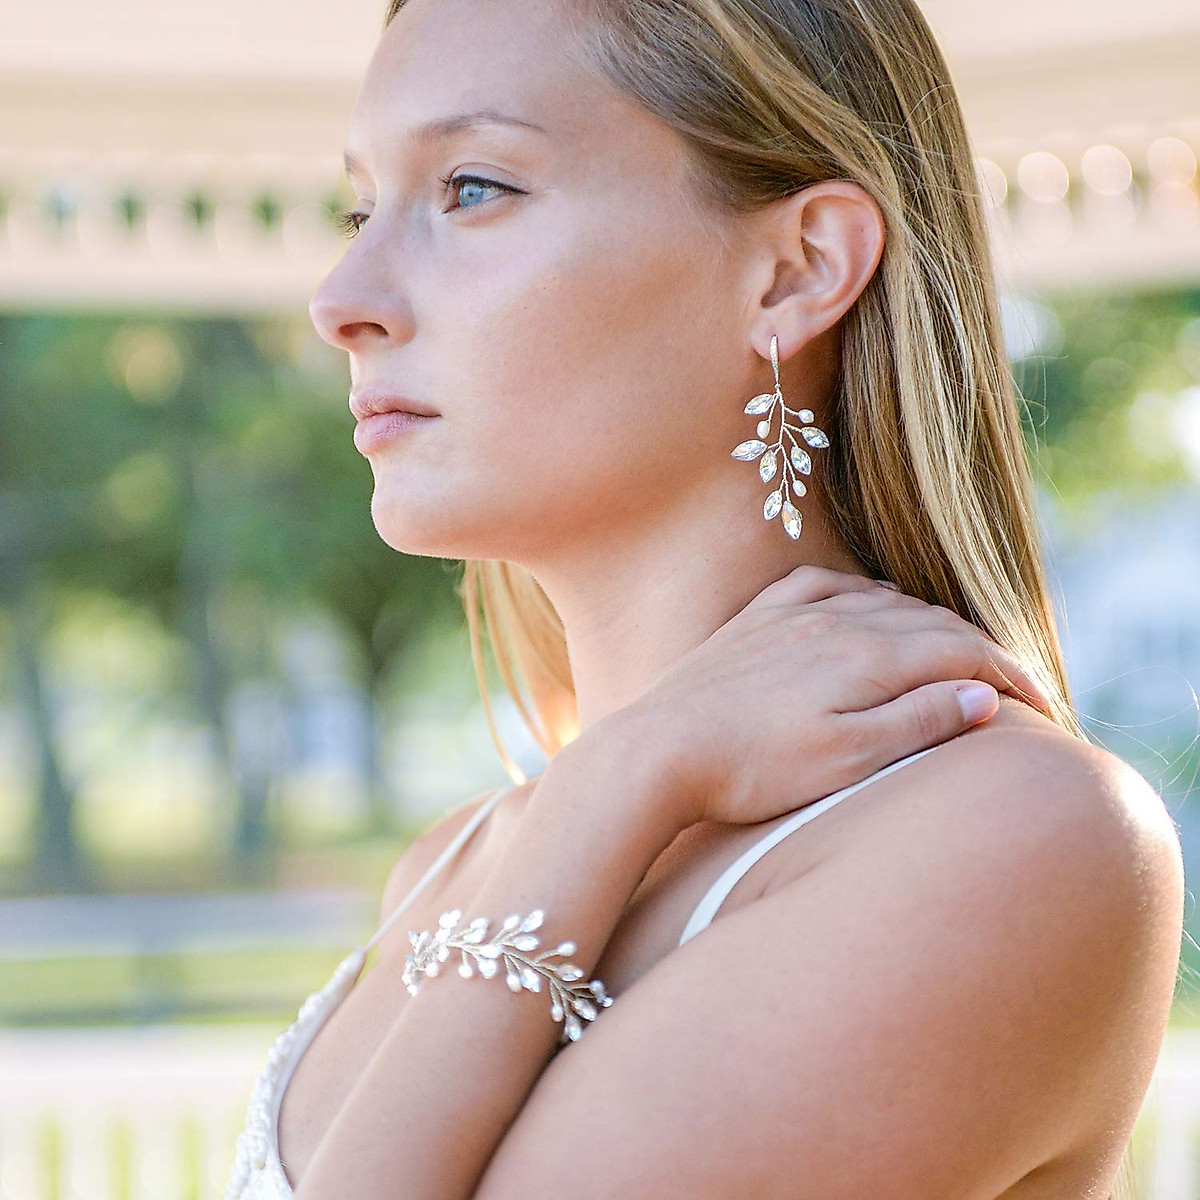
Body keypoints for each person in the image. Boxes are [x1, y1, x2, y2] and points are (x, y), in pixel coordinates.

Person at [226, 0, 1185, 1196]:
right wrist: (618, 780)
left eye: (472, 188)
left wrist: (620, 777)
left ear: (797, 269)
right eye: (360, 209)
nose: (341, 298)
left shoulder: (1011, 840)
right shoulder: (452, 862)